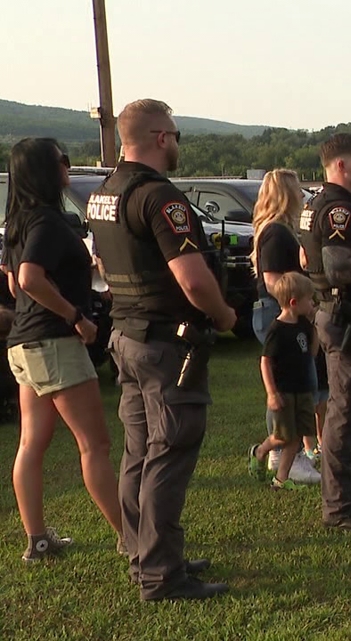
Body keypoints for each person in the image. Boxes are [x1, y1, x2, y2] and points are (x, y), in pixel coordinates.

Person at [88, 99, 235, 600]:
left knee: (139, 454)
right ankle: (162, 574)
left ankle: (145, 553)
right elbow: (192, 281)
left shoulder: (105, 192)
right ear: (159, 137)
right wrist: (223, 314)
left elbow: (103, 269)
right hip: (164, 342)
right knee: (169, 453)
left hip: (125, 335)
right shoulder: (159, 197)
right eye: (175, 134)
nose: (177, 143)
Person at [3, 137, 123, 562]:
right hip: (53, 342)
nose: (67, 167)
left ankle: (37, 540)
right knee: (95, 445)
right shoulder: (47, 222)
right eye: (63, 160)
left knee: (31, 443)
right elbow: (31, 278)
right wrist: (76, 315)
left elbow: (14, 281)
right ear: (46, 170)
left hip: (23, 344)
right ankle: (134, 540)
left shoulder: (17, 221)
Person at [298, 133, 351, 531]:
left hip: (335, 313)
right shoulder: (339, 209)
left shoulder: (318, 201)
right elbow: (336, 267)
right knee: (345, 413)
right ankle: (339, 506)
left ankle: (344, 490)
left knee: (347, 409)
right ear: (341, 166)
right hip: (346, 316)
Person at [249, 169, 321, 482]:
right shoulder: (277, 233)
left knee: (292, 381)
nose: (303, 196)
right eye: (298, 191)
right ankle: (279, 449)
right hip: (278, 313)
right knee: (283, 383)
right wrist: (301, 301)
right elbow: (274, 279)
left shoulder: (274, 230)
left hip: (280, 310)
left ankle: (286, 451)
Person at [248, 272, 317, 490]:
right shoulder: (277, 330)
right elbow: (265, 362)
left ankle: (281, 479)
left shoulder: (304, 325)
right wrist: (271, 393)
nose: (312, 303)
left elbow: (312, 354)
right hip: (284, 391)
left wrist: (314, 327)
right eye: (309, 300)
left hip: (302, 389)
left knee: (296, 436)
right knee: (282, 436)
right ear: (294, 303)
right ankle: (259, 450)